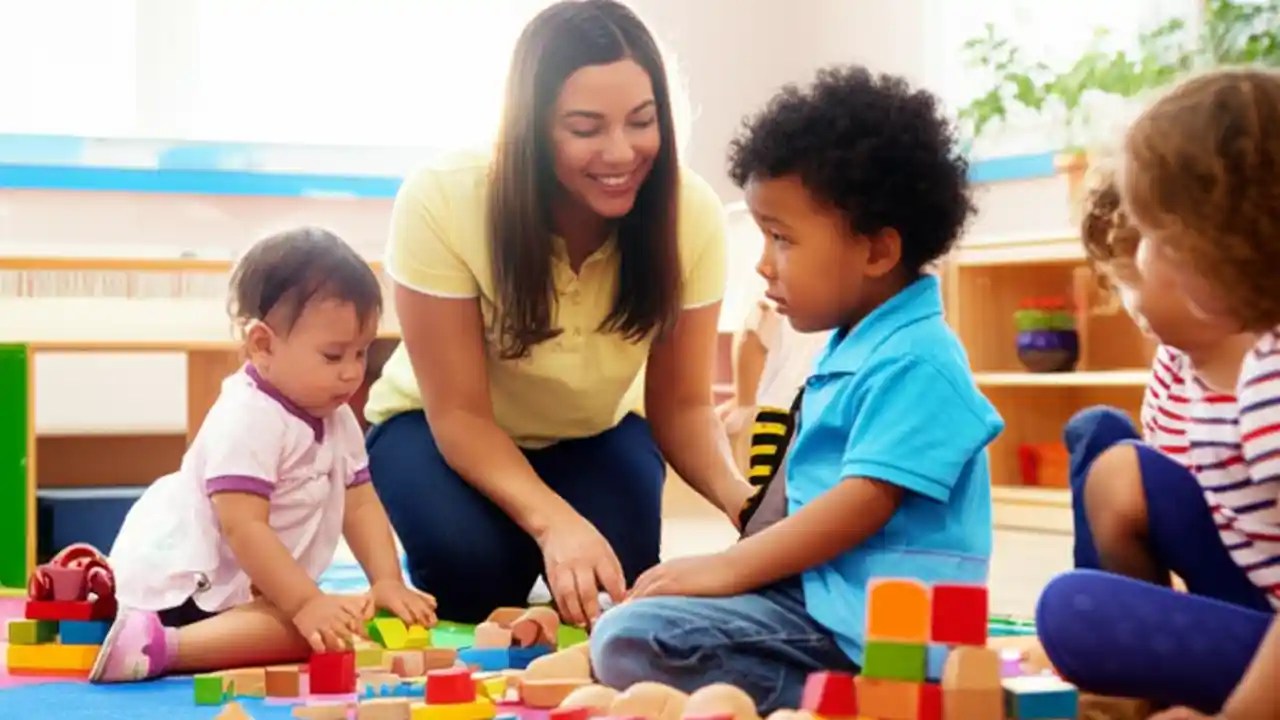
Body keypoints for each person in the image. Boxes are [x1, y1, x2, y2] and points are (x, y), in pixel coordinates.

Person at [589, 65, 1004, 713]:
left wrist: (726, 569)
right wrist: (720, 572)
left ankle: (858, 700)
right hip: (821, 598)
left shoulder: (919, 361)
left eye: (781, 239)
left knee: (631, 639)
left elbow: (859, 504)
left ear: (876, 252)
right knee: (637, 618)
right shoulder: (859, 343)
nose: (762, 263)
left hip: (878, 634)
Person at [362, 0, 751, 629]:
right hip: (439, 430)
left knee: (614, 583)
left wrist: (746, 505)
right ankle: (509, 541)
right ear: (534, 127)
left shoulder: (691, 214)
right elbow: (459, 414)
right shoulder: (442, 197)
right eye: (586, 127)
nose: (621, 151)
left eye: (642, 121)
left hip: (594, 431)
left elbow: (682, 407)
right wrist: (555, 522)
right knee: (477, 574)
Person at [1037, 68, 1280, 720]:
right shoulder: (1254, 369)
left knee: (1074, 612)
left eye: (1149, 245)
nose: (1134, 274)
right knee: (1078, 605)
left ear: (1206, 261)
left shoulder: (1269, 391)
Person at [91, 228, 437, 683]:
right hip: (190, 589)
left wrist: (386, 579)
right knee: (309, 629)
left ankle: (266, 615)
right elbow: (243, 526)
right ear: (263, 345)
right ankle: (158, 647)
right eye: (333, 356)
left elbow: (360, 502)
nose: (352, 373)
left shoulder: (335, 416)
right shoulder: (249, 417)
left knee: (338, 614)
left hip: (253, 584)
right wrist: (306, 603)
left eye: (361, 352)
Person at [1058, 165, 1259, 597]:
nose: (1131, 304)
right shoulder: (1173, 365)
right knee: (1098, 429)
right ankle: (1116, 605)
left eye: (1133, 279)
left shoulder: (1263, 369)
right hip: (1219, 569)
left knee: (1067, 611)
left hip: (1263, 599)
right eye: (1118, 285)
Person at [716, 295, 831, 476]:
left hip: (777, 416)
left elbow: (753, 329)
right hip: (800, 418)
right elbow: (755, 327)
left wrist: (743, 402)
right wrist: (743, 402)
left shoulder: (779, 298)